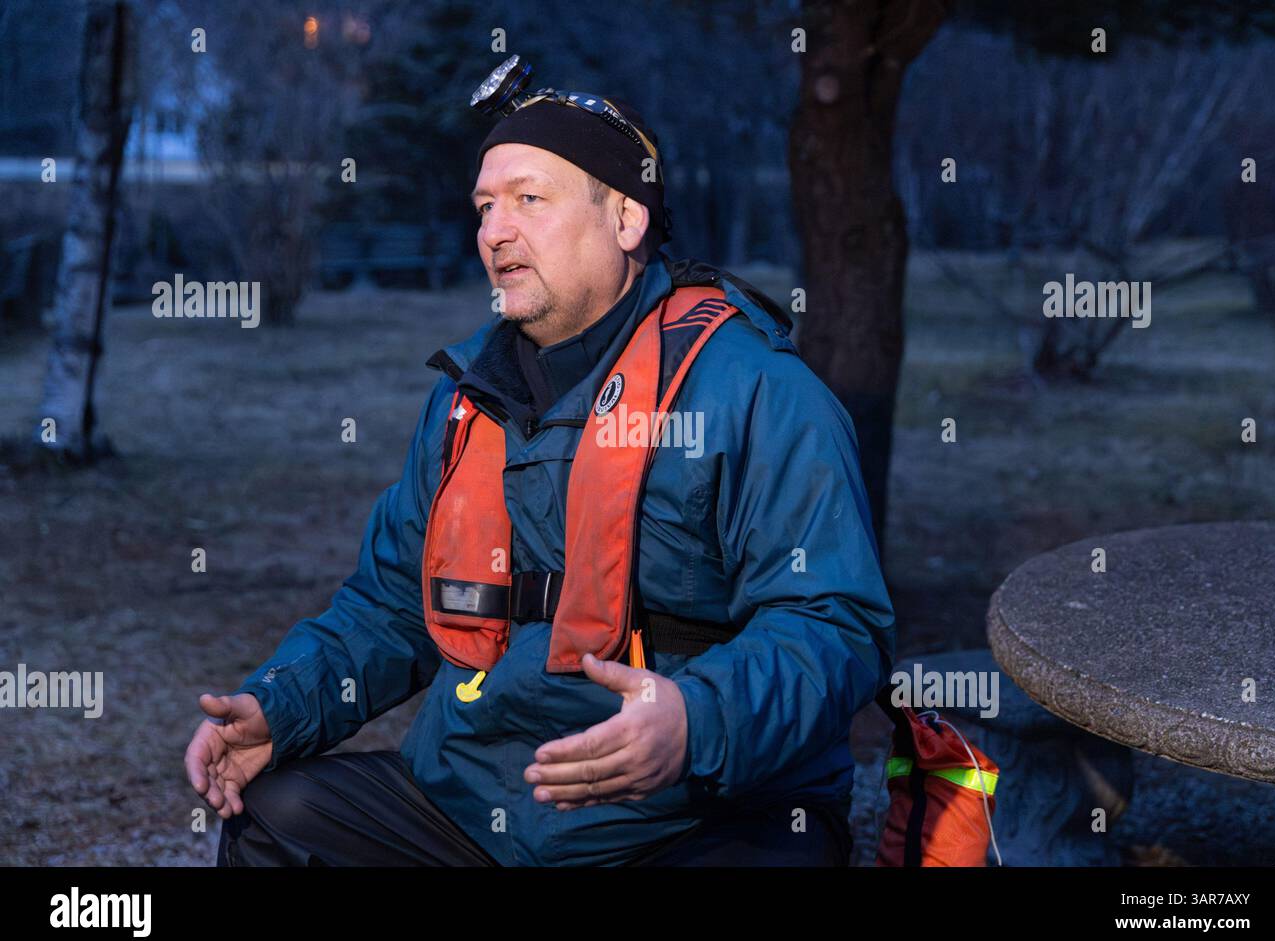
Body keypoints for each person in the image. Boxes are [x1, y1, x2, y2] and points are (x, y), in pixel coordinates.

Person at [185, 60, 896, 866]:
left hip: (691, 814)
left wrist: (697, 721)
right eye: (484, 206)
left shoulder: (754, 389)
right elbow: (393, 604)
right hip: (478, 803)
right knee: (281, 818)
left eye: (529, 199)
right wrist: (279, 707)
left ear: (626, 218)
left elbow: (834, 624)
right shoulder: (468, 397)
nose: (495, 231)